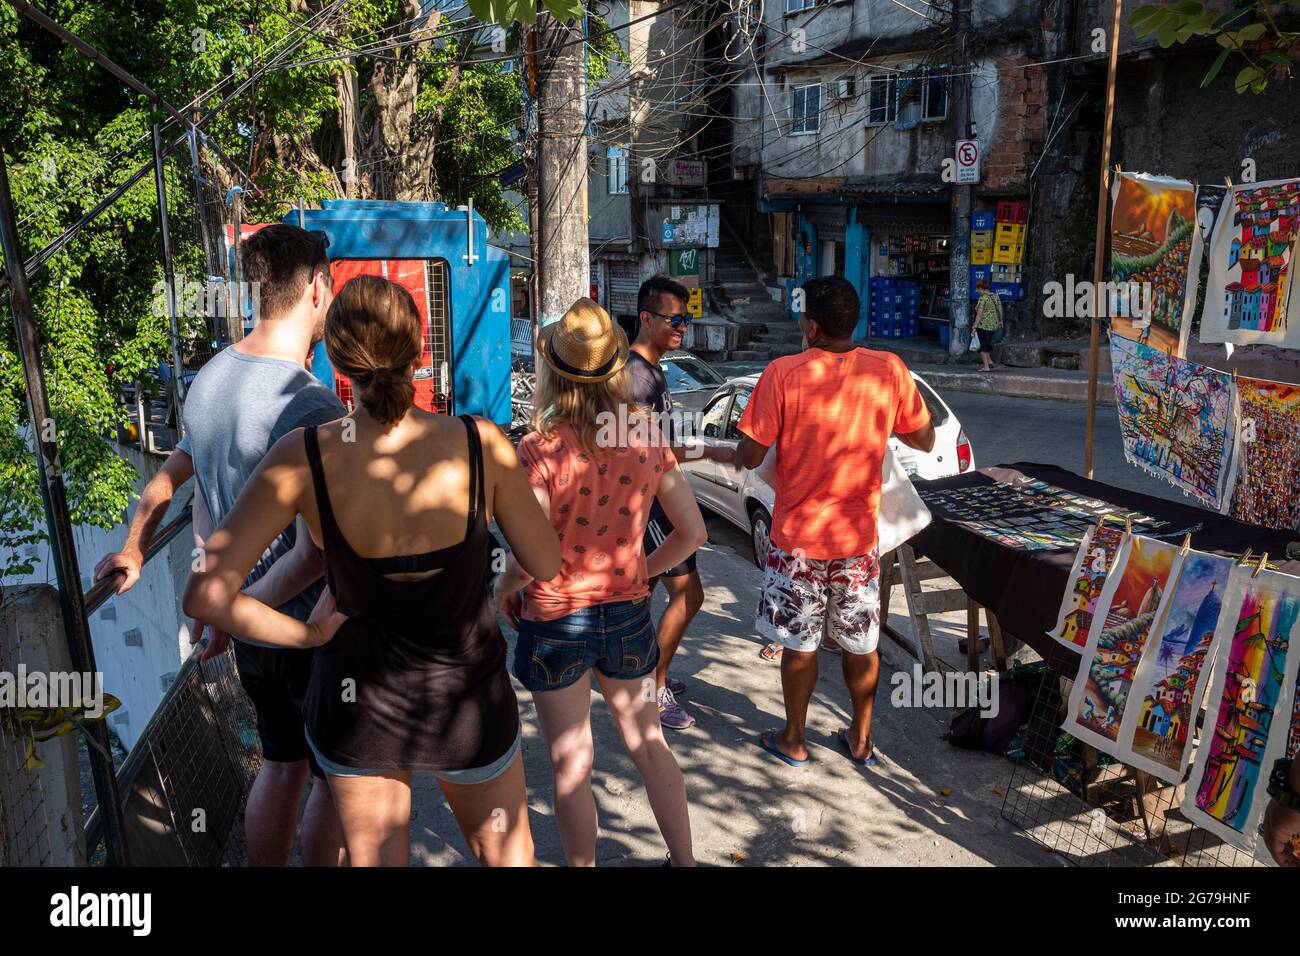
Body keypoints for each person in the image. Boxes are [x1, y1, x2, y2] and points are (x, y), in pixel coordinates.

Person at [184, 274, 561, 866]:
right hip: (467, 700)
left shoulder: (305, 456)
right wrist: (500, 578)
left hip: (356, 707)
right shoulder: (481, 443)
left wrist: (308, 633)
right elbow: (545, 562)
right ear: (419, 349)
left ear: (337, 359)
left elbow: (206, 596)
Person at [95, 223, 346, 867]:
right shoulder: (310, 404)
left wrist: (135, 551)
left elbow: (167, 489)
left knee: (281, 764)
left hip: (249, 629)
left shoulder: (208, 380)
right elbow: (320, 551)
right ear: (318, 287)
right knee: (335, 781)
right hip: (307, 626)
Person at [495, 298, 706, 866]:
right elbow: (692, 533)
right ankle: (684, 863)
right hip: (628, 615)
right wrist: (643, 569)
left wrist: (503, 589)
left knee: (572, 763)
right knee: (649, 744)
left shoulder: (538, 450)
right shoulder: (645, 437)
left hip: (556, 619)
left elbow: (528, 551)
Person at [734, 276, 935, 768]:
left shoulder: (782, 372)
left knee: (798, 643)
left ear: (812, 326)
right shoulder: (888, 369)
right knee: (861, 641)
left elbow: (750, 453)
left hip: (796, 541)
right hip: (858, 542)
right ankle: (862, 739)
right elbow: (925, 440)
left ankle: (794, 740)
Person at [625, 275, 733, 730]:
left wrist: (710, 450)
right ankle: (654, 685)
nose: (682, 327)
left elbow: (661, 442)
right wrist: (710, 451)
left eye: (686, 320)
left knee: (642, 595)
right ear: (646, 318)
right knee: (689, 597)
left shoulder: (653, 371)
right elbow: (642, 452)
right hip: (649, 506)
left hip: (655, 502)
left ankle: (639, 673)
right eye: (674, 319)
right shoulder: (635, 379)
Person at [973, 278, 1003, 373]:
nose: (977, 291)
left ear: (981, 288)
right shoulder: (995, 296)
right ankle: (989, 361)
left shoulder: (983, 298)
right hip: (993, 325)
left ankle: (986, 367)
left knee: (982, 347)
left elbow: (979, 314)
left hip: (983, 325)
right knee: (986, 343)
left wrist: (974, 326)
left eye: (977, 289)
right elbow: (1000, 309)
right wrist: (1001, 320)